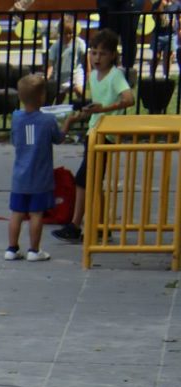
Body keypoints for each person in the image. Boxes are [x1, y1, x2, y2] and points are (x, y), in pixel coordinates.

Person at [54, 30, 134, 245]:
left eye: (103, 53)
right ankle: (100, 227)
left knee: (84, 180)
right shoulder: (93, 76)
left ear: (113, 55)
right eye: (94, 52)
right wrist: (85, 114)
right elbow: (98, 106)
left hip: (106, 135)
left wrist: (103, 109)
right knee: (93, 182)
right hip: (94, 131)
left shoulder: (115, 76)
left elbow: (129, 99)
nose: (97, 58)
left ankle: (75, 226)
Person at [5, 74, 64, 262]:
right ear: (42, 96)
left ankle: (12, 248)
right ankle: (34, 249)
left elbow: (14, 140)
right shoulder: (48, 120)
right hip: (40, 178)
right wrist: (68, 123)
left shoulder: (16, 118)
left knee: (16, 213)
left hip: (20, 177)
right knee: (36, 214)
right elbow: (58, 138)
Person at [45, 15, 87, 101]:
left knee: (79, 91)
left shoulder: (79, 43)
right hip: (61, 76)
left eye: (70, 33)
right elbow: (51, 65)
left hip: (76, 73)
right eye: (65, 34)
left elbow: (86, 59)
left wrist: (88, 73)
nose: (68, 36)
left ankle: (84, 106)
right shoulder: (55, 46)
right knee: (60, 97)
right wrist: (47, 76)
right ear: (60, 32)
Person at [151, 0, 179, 79]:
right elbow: (154, 17)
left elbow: (179, 17)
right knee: (156, 56)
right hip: (158, 34)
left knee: (168, 56)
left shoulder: (176, 4)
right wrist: (161, 6)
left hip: (171, 34)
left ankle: (166, 76)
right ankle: (151, 76)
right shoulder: (156, 4)